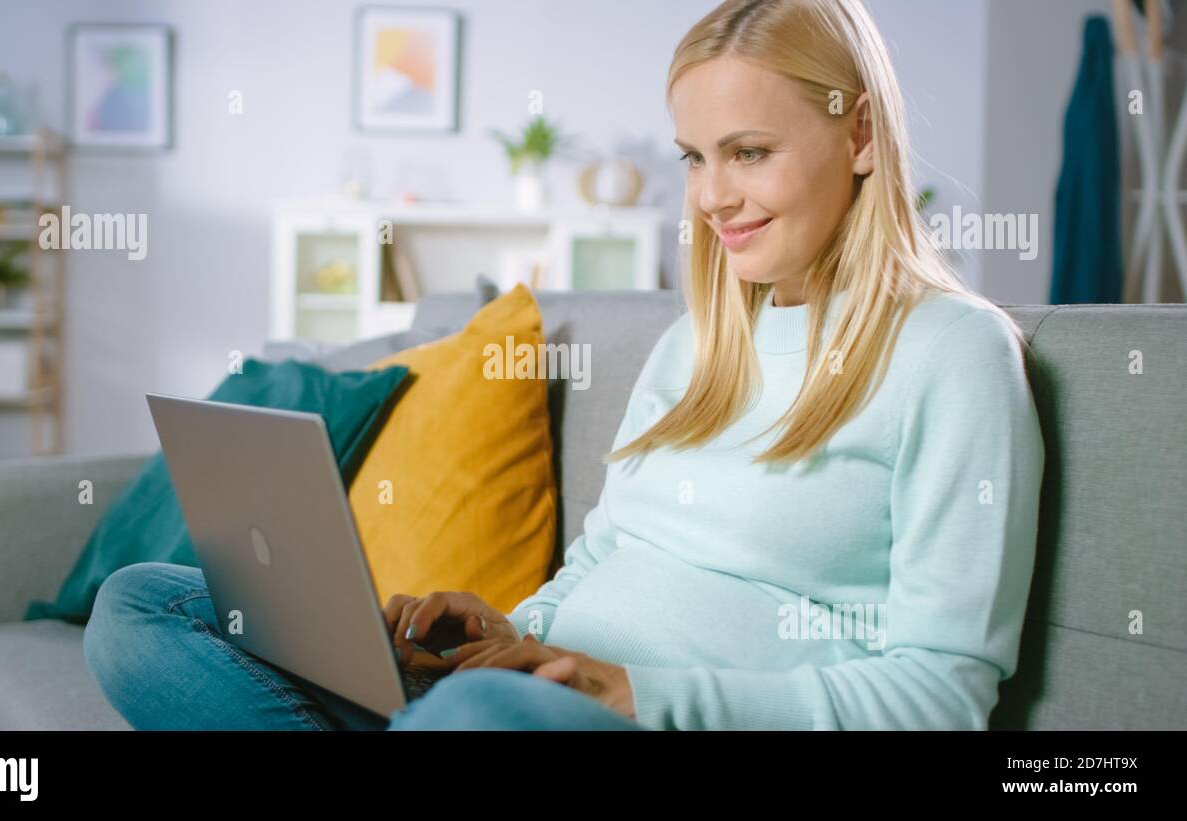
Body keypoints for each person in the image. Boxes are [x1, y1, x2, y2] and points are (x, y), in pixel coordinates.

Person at [84, 0, 1044, 730]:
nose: (713, 196)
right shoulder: (696, 347)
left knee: (472, 717)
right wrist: (507, 629)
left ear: (862, 134)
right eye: (695, 157)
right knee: (143, 605)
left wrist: (622, 688)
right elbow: (600, 558)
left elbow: (941, 694)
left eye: (748, 153)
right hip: (535, 694)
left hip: (626, 718)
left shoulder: (952, 354)